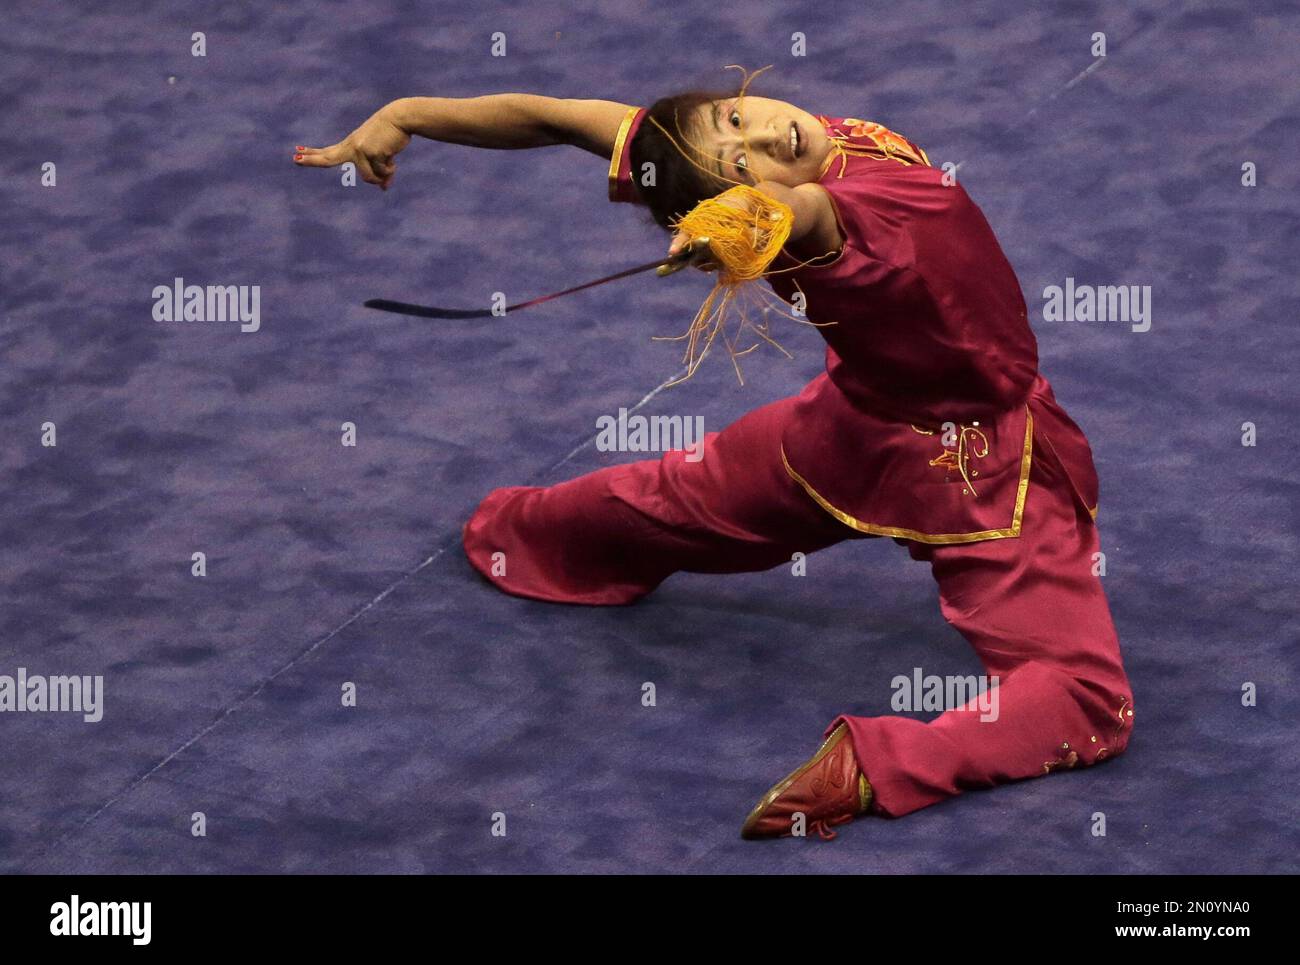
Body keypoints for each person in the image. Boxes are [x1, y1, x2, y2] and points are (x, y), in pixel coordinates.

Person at [293, 80, 1135, 840]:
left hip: (844, 430)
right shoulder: (822, 210)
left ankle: (527, 533)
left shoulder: (785, 145)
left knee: (672, 499)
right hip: (981, 472)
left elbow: (558, 118)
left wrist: (406, 112)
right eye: (738, 164)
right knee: (1084, 699)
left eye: (736, 117)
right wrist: (753, 217)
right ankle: (874, 764)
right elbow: (804, 211)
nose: (765, 136)